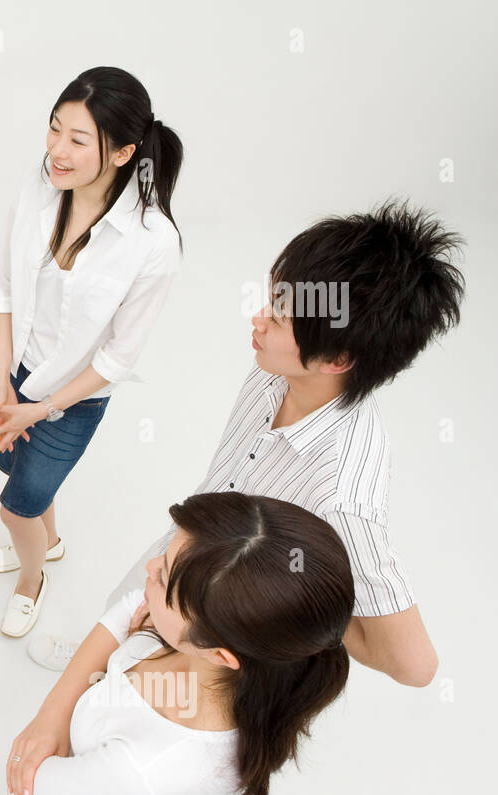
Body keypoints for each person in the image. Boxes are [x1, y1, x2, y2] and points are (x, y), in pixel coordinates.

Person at [60, 202, 465, 685]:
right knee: (120, 620)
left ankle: (106, 677)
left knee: (133, 697)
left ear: (336, 358)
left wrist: (281, 614)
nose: (258, 320)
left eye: (278, 316)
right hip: (175, 559)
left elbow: (416, 666)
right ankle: (98, 663)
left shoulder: (342, 496)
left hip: (216, 629)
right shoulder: (275, 370)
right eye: (272, 299)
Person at [8, 492, 353, 795]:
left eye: (165, 575)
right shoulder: (249, 660)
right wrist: (54, 713)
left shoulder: (149, 772)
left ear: (220, 653)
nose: (150, 568)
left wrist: (55, 717)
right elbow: (129, 608)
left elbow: (35, 790)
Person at [0, 66, 183, 642]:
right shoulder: (38, 183)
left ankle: (31, 578)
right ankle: (53, 541)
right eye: (53, 130)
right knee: (13, 467)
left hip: (74, 400)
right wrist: (2, 386)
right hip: (19, 372)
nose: (56, 151)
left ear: (122, 153)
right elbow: (1, 287)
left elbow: (118, 359)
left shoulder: (153, 242)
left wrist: (38, 410)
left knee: (14, 509)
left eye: (77, 139)